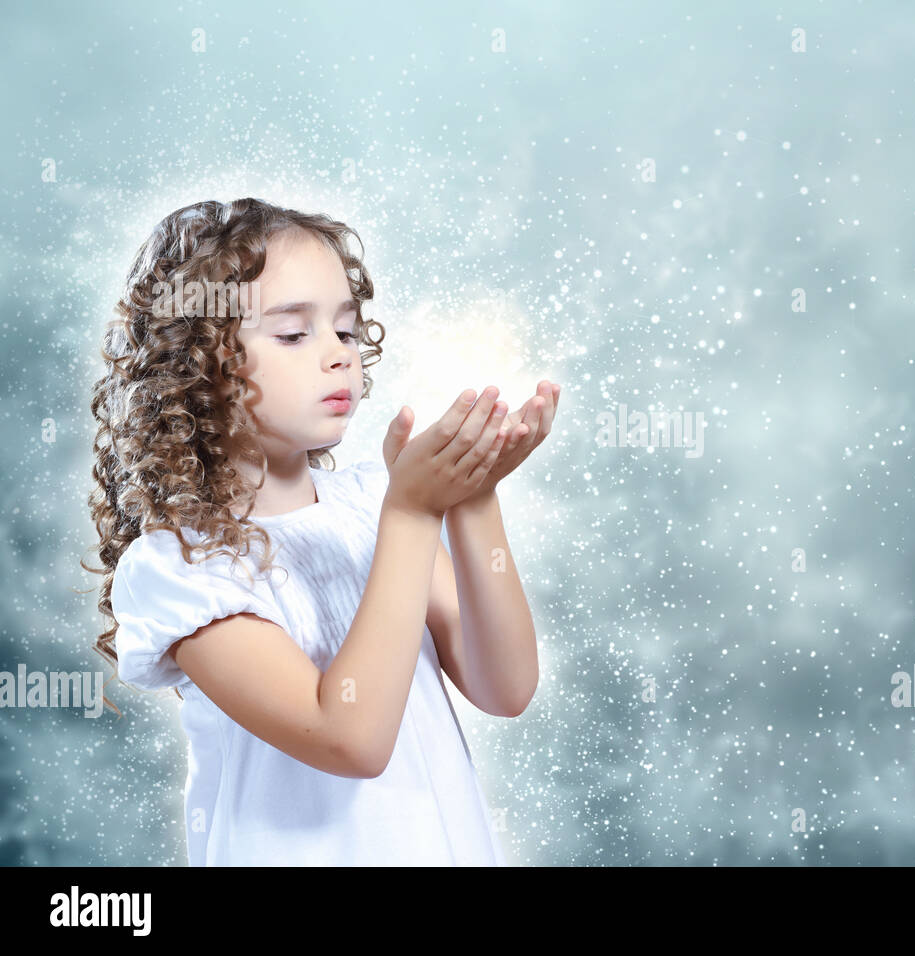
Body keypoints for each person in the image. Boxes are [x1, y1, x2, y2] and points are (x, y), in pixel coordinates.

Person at [84, 198, 559, 865]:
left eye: (346, 329)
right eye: (292, 334)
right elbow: (349, 737)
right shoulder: (181, 570)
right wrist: (416, 512)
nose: (339, 355)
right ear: (199, 363)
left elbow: (505, 687)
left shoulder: (372, 502)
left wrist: (472, 499)